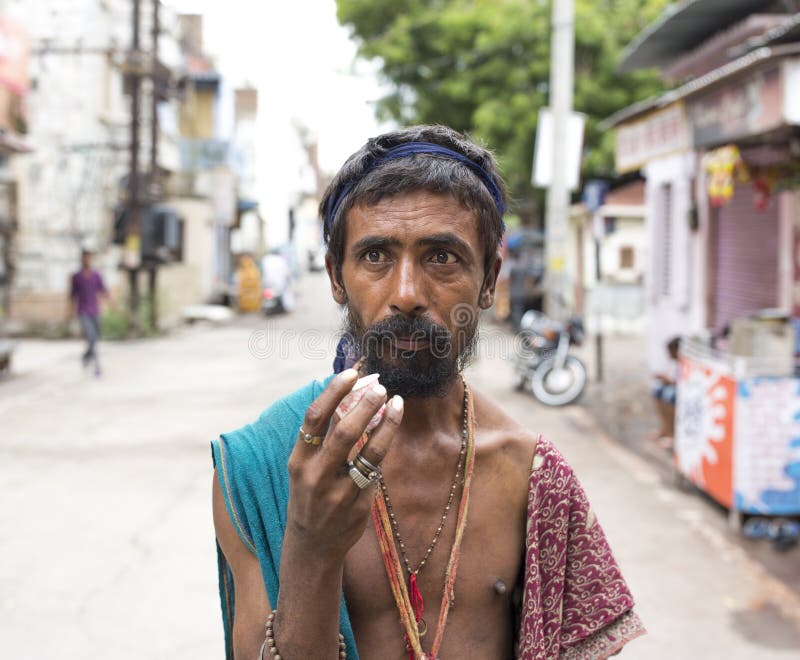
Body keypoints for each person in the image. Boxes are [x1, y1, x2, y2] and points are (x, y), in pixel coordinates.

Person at [211, 126, 645, 660]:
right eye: (375, 256)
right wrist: (310, 543)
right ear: (336, 277)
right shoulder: (260, 464)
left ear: (489, 280)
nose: (408, 294)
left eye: (442, 257)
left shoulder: (533, 479)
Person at [69, 249, 112, 376]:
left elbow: (103, 291)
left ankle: (86, 356)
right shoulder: (76, 277)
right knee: (91, 336)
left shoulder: (96, 275)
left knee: (96, 337)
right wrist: (69, 312)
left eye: (89, 258)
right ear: (81, 259)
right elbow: (72, 295)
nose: (87, 260)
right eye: (85, 258)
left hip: (95, 310)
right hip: (83, 311)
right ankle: (97, 367)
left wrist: (113, 304)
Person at [652, 337, 681, 446]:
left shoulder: (684, 364)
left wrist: (667, 380)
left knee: (669, 395)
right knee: (657, 390)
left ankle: (671, 433)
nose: (668, 354)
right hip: (673, 388)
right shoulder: (674, 363)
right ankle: (665, 429)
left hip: (679, 391)